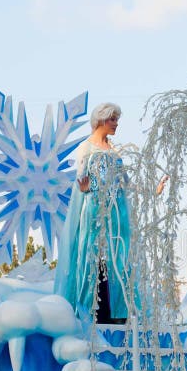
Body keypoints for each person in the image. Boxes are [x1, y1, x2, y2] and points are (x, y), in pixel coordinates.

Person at [55, 102, 143, 324]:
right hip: (95, 210)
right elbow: (81, 180)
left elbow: (125, 183)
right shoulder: (87, 147)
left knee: (120, 259)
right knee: (91, 256)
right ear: (102, 120)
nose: (116, 125)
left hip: (118, 214)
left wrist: (152, 190)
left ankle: (120, 312)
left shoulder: (114, 150)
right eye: (113, 120)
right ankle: (87, 310)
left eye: (116, 120)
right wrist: (83, 189)